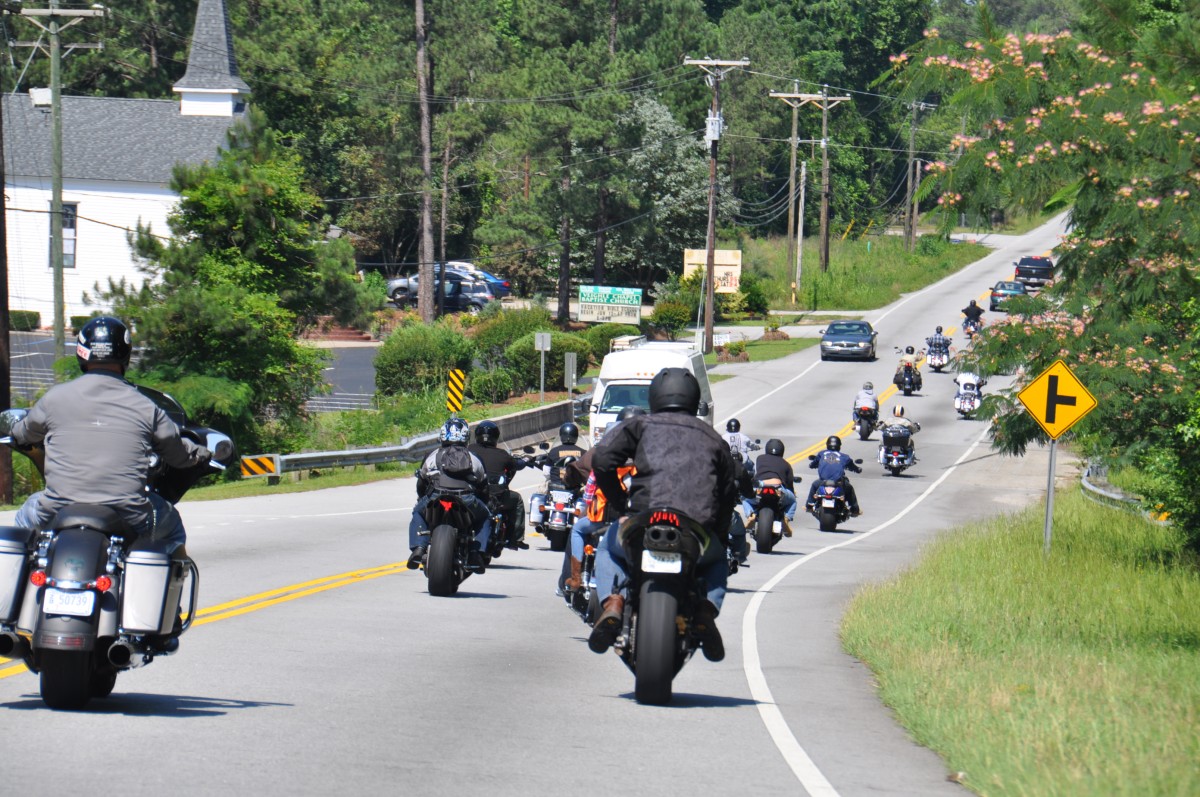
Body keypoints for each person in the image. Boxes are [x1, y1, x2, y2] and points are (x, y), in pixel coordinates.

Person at [10, 316, 212, 555]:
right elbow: (179, 454)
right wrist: (201, 453)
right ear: (125, 354)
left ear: (82, 353)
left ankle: (19, 586)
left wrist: (16, 431)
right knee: (173, 526)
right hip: (130, 515)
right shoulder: (146, 407)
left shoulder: (54, 398)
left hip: (56, 509)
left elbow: (22, 433)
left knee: (24, 520)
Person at [588, 368, 737, 662]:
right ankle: (705, 611)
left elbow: (603, 458)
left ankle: (613, 602)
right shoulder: (713, 438)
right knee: (718, 559)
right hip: (695, 530)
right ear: (694, 400)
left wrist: (619, 503)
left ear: (654, 396)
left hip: (643, 522)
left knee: (607, 546)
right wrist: (718, 535)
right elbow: (728, 492)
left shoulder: (640, 425)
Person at [560, 406, 644, 593]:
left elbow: (586, 484)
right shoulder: (649, 455)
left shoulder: (603, 454)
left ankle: (575, 578)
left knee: (576, 530)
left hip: (603, 519)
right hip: (639, 521)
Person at [406, 418, 493, 571]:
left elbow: (422, 482)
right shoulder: (474, 458)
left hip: (436, 495)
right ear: (466, 437)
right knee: (486, 516)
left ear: (443, 435)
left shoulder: (432, 456)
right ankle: (476, 553)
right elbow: (484, 487)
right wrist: (482, 501)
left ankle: (419, 548)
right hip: (466, 498)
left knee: (417, 511)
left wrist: (422, 498)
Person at [468, 420, 528, 550]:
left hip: (473, 495)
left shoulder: (469, 450)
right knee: (517, 499)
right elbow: (517, 465)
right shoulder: (503, 455)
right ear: (495, 436)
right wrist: (526, 460)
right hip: (496, 496)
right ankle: (516, 538)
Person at [747, 438, 798, 535]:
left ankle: (751, 515)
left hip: (760, 487)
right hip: (778, 488)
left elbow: (754, 473)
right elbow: (789, 483)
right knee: (793, 501)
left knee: (746, 499)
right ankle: (786, 519)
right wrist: (792, 493)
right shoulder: (786, 464)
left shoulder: (760, 458)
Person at [806, 435, 863, 516]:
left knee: (814, 485)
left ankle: (809, 505)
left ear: (827, 444)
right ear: (839, 446)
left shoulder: (822, 454)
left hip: (823, 482)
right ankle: (855, 509)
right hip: (838, 482)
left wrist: (811, 465)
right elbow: (852, 466)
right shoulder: (844, 457)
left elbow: (813, 463)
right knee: (849, 488)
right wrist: (857, 469)